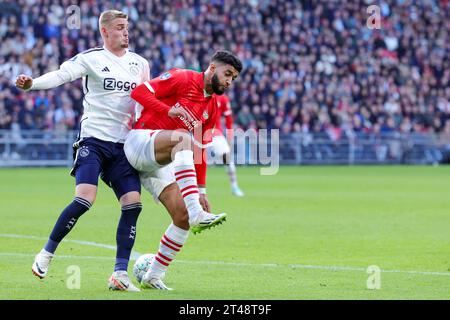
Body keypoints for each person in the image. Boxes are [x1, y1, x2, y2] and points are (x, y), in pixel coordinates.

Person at [15, 10, 149, 292]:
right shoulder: (91, 58)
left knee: (133, 204)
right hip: (94, 140)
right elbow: (62, 76)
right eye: (120, 28)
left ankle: (119, 274)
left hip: (123, 145)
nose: (126, 33)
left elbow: (145, 101)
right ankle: (46, 254)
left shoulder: (140, 63)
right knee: (85, 199)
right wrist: (33, 84)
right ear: (105, 31)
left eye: (127, 28)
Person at [124, 50, 242, 290]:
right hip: (139, 142)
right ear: (212, 67)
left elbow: (199, 150)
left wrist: (201, 189)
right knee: (182, 138)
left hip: (161, 160)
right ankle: (197, 212)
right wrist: (167, 110)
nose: (229, 81)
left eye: (234, 78)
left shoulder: (211, 108)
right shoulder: (183, 77)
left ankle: (154, 275)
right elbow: (138, 92)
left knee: (182, 217)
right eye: (227, 74)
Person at [210, 93, 244, 196]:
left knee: (227, 159)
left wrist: (229, 137)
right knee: (190, 161)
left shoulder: (222, 98)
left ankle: (234, 186)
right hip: (197, 132)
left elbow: (229, 120)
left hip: (216, 134)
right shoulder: (199, 92)